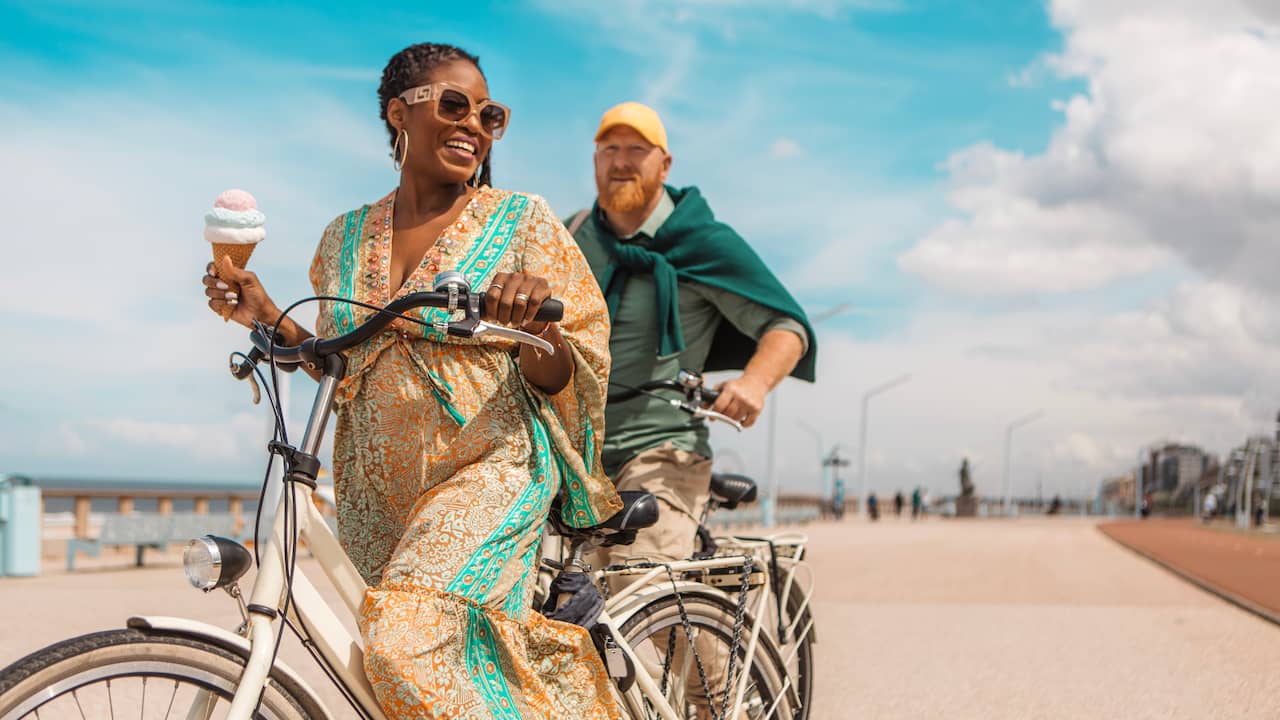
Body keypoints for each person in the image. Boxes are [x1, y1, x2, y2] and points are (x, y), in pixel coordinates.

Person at [202, 43, 622, 719]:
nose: (473, 126)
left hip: (489, 469)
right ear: (400, 114)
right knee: (416, 670)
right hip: (377, 494)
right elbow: (341, 362)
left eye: (490, 115)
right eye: (453, 105)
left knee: (402, 646)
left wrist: (536, 329)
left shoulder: (523, 222)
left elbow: (564, 375)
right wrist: (266, 316)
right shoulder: (342, 238)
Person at [566, 102, 815, 713]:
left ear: (664, 162)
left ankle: (717, 708)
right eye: (609, 150)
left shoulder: (701, 241)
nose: (621, 162)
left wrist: (754, 383)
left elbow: (786, 326)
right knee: (549, 602)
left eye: (636, 150)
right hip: (573, 451)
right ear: (595, 160)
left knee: (644, 585)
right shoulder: (573, 236)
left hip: (663, 445)